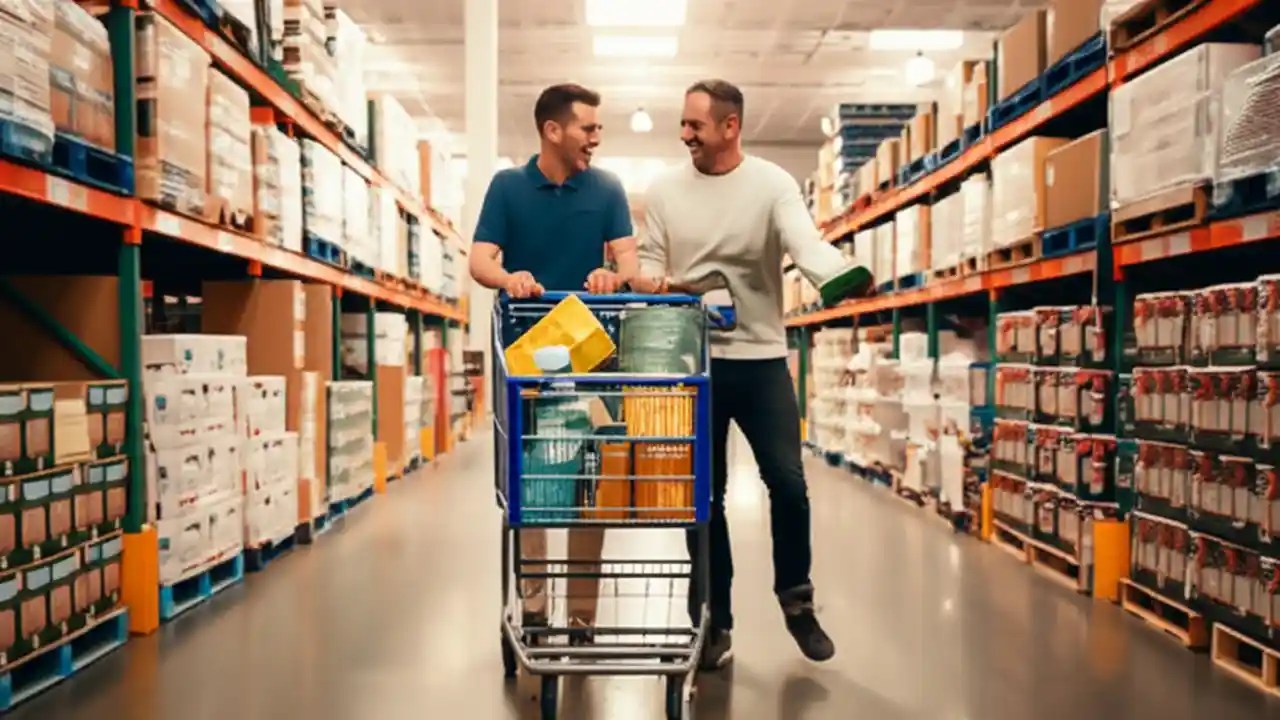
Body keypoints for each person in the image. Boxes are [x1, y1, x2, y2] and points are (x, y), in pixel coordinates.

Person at [634, 79, 867, 670]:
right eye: (683, 123)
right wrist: (673, 287)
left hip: (761, 358)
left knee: (788, 482)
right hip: (694, 365)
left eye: (696, 125)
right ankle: (712, 618)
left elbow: (803, 241)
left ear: (731, 126)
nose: (684, 134)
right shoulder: (664, 191)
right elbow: (652, 265)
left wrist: (836, 273)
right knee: (701, 499)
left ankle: (797, 602)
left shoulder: (771, 183)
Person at [470, 83, 638, 634]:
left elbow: (630, 264)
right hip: (530, 359)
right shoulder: (508, 187)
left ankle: (583, 617)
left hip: (595, 358)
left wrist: (613, 277)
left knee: (589, 487)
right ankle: (537, 602)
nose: (596, 137)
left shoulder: (608, 189)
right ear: (552, 130)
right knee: (536, 483)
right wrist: (508, 276)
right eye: (587, 128)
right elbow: (480, 260)